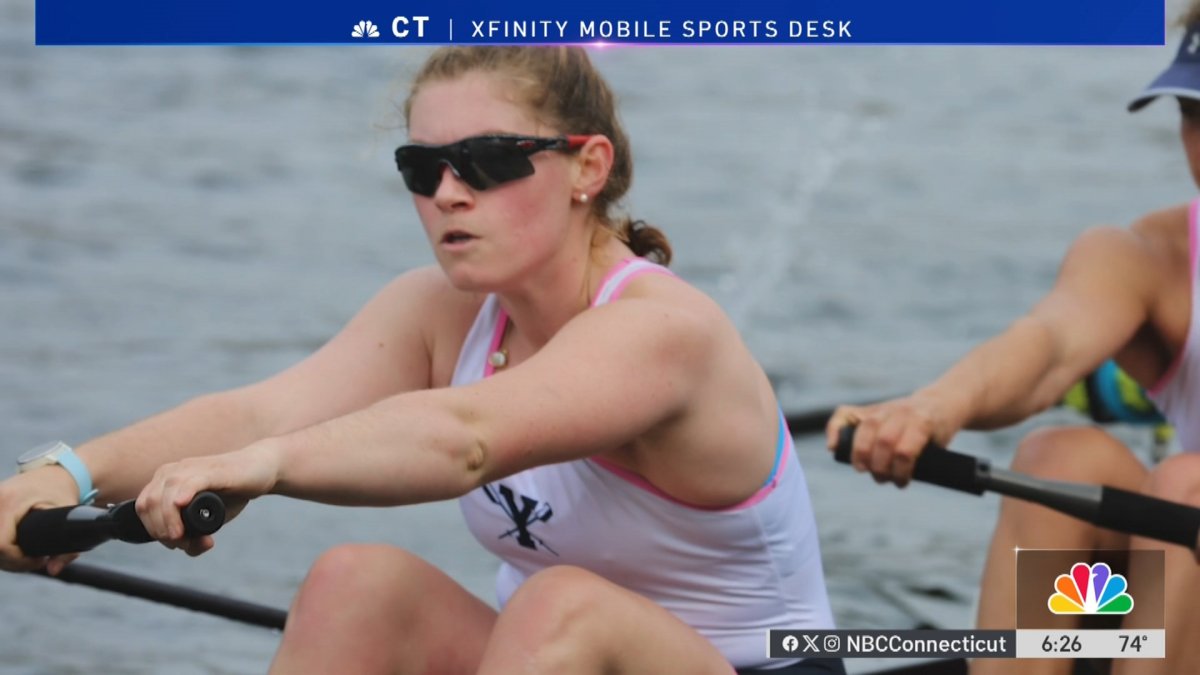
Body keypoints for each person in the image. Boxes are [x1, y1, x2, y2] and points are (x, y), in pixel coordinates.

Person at [0, 47, 843, 674]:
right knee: (352, 582)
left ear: (589, 166)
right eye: (423, 165)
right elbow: (263, 412)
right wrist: (64, 475)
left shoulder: (661, 328)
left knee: (563, 605)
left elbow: (467, 438)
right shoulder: (441, 312)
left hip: (755, 664)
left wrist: (262, 469)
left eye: (488, 160)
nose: (447, 192)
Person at [825, 9, 1200, 675]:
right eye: (1195, 115)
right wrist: (933, 410)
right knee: (1059, 459)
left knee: (1187, 481)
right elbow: (1048, 346)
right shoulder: (1151, 258)